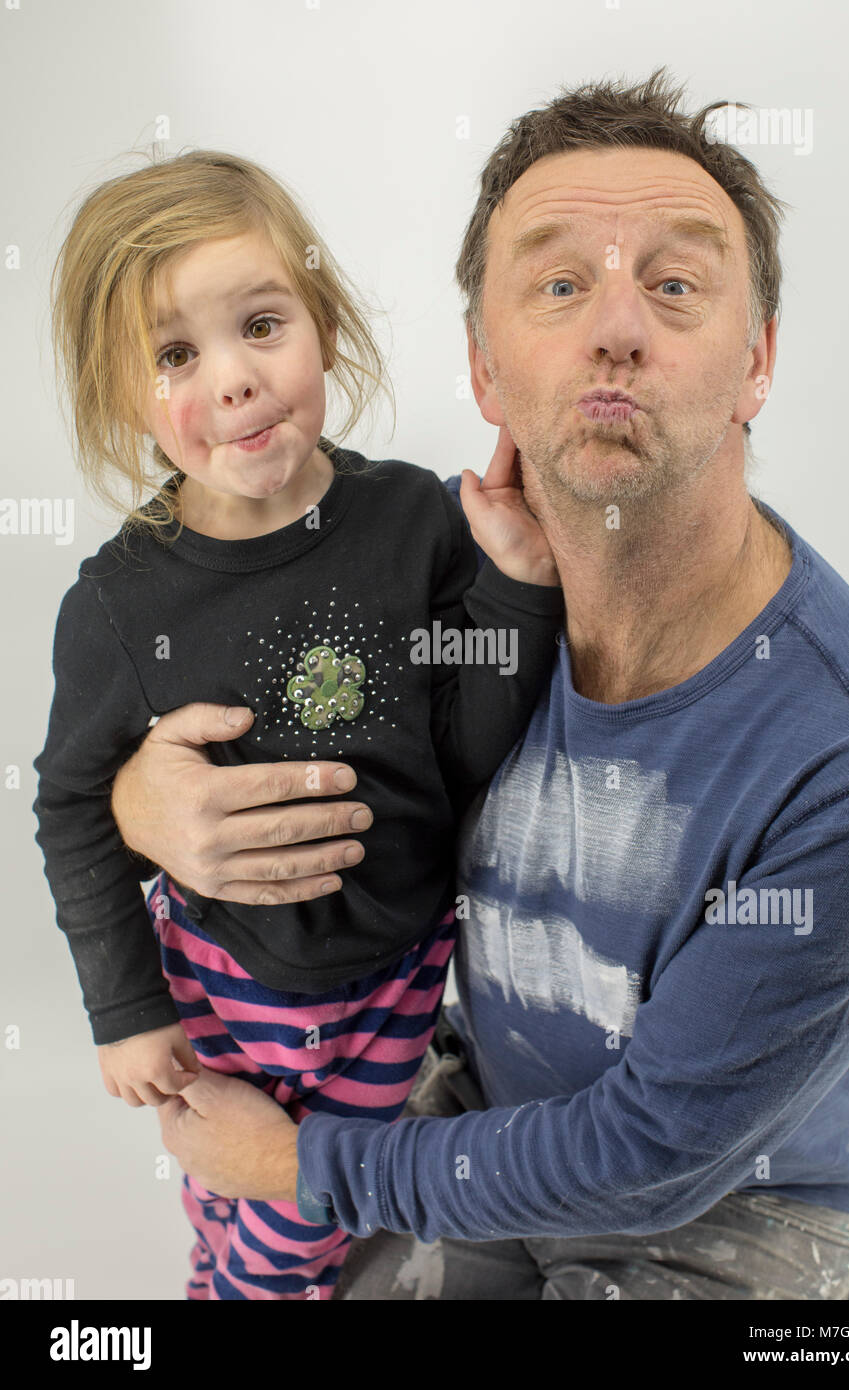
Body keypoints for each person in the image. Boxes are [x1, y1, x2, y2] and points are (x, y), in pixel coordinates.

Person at [110, 70, 849, 1300]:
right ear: (486, 372)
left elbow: (649, 1157)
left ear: (755, 361)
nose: (616, 327)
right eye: (560, 284)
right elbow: (209, 691)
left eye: (674, 284)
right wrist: (142, 799)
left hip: (732, 1203)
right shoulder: (420, 582)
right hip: (476, 1102)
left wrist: (303, 1163)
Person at [31, 148, 564, 1301]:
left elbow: (463, 752)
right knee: (226, 1184)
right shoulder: (120, 602)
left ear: (320, 327)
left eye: (260, 325)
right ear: (126, 397)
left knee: (299, 1221)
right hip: (222, 973)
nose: (232, 378)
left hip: (393, 970)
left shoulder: (415, 520)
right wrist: (125, 1013)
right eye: (177, 354)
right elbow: (71, 805)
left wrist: (516, 585)